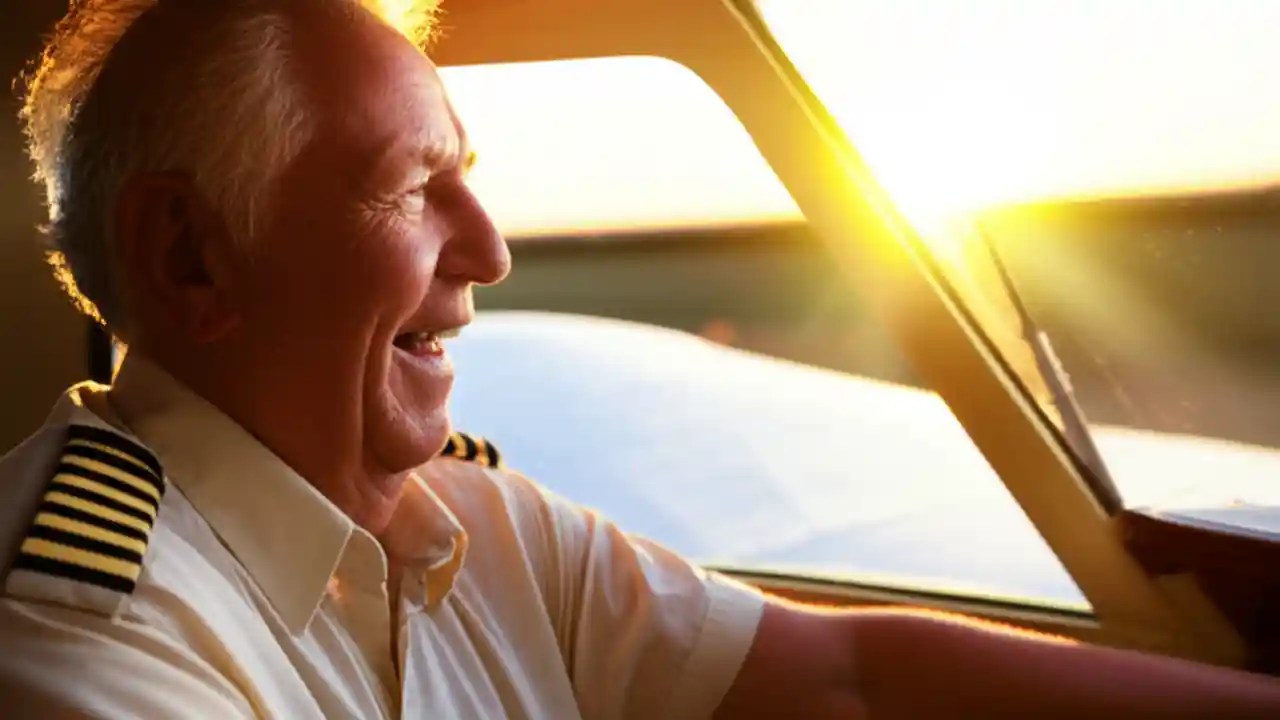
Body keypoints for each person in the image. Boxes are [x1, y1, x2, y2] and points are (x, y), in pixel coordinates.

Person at [1, 1, 1278, 717]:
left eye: (471, 183)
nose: (490, 250)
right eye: (408, 189)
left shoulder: (473, 534)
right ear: (188, 259)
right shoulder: (74, 640)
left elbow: (853, 677)